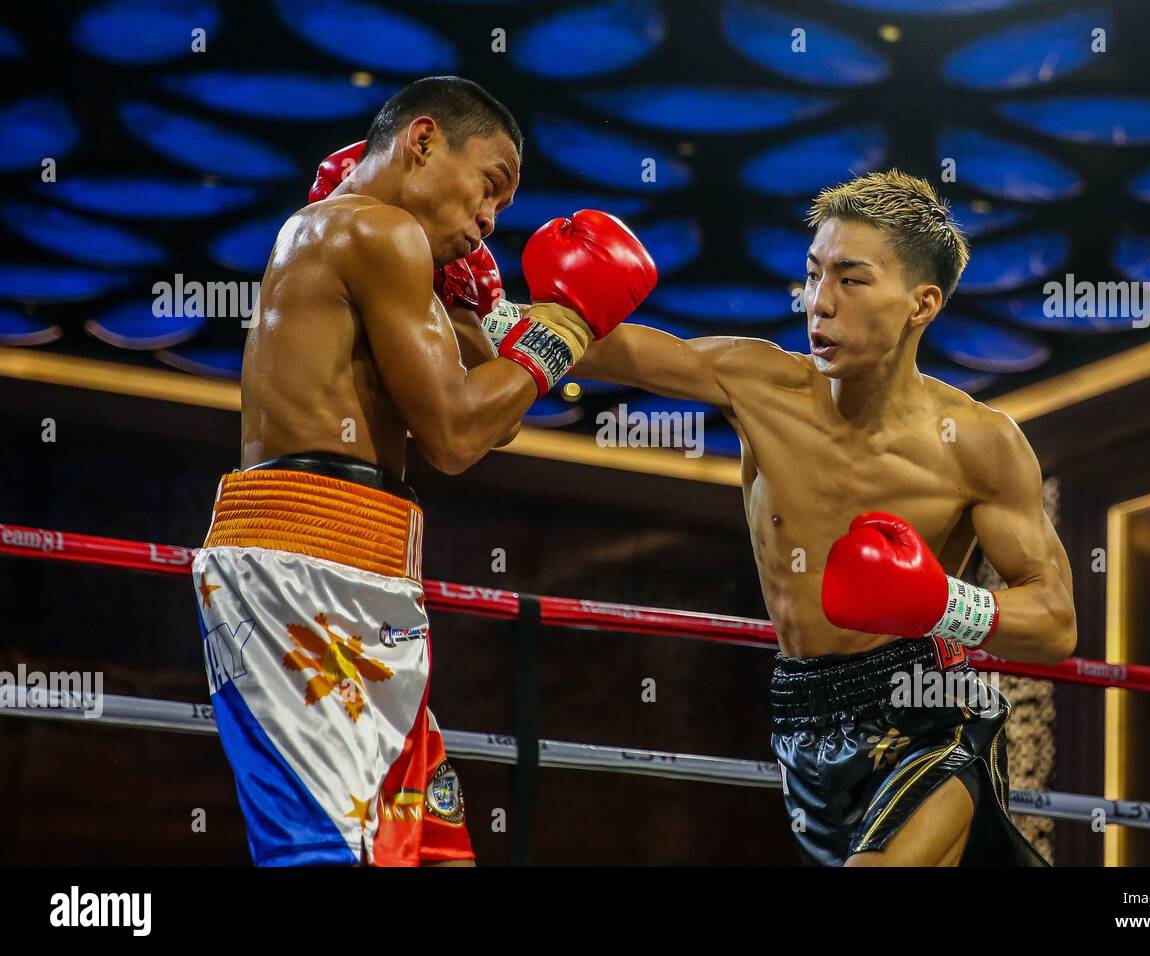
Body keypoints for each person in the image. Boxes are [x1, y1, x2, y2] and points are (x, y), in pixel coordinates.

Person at [191, 76, 656, 866]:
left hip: (359, 569)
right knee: (332, 854)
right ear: (424, 140)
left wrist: (478, 316)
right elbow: (456, 436)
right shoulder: (375, 231)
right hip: (309, 568)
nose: (488, 220)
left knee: (427, 851)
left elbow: (490, 417)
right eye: (491, 186)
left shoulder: (369, 240)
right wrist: (568, 321)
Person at [561, 169, 1075, 866]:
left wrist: (939, 603)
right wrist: (474, 300)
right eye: (814, 274)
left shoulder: (979, 442)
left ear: (921, 304)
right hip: (801, 718)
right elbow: (596, 350)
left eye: (851, 280)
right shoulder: (758, 384)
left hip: (926, 709)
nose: (819, 302)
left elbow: (1055, 624)